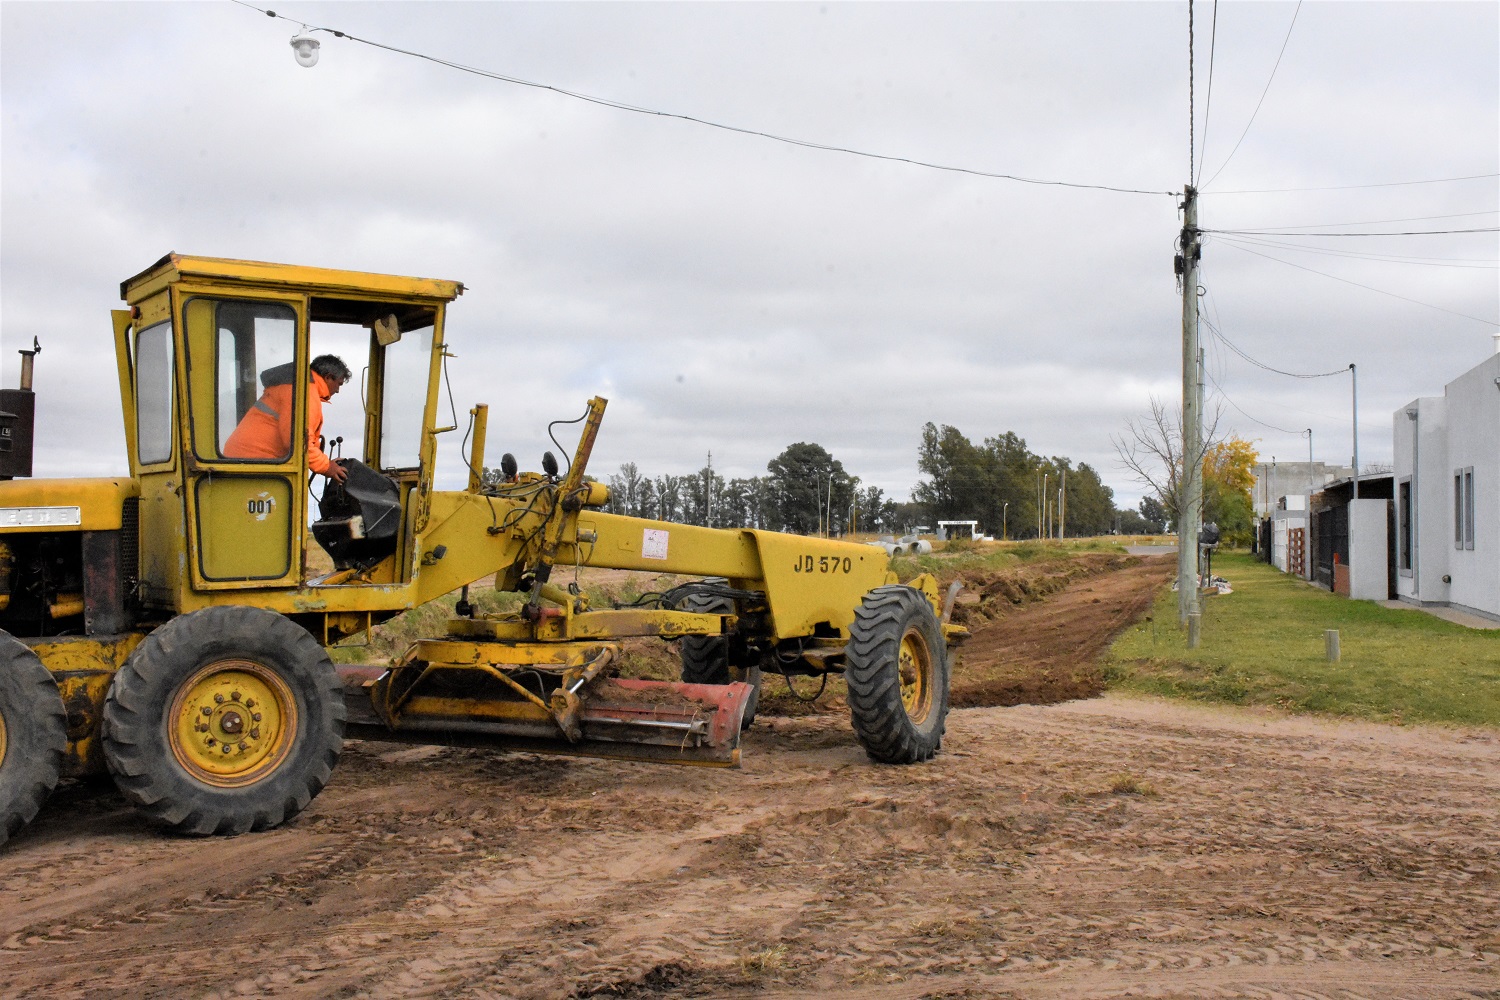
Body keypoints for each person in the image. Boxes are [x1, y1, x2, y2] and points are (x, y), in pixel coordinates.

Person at [224, 355, 351, 483]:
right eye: (338, 384)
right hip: (254, 461)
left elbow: (302, 438)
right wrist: (326, 466)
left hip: (244, 458)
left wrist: (325, 461)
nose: (338, 390)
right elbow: (297, 441)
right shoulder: (305, 392)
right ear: (328, 377)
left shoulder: (293, 386)